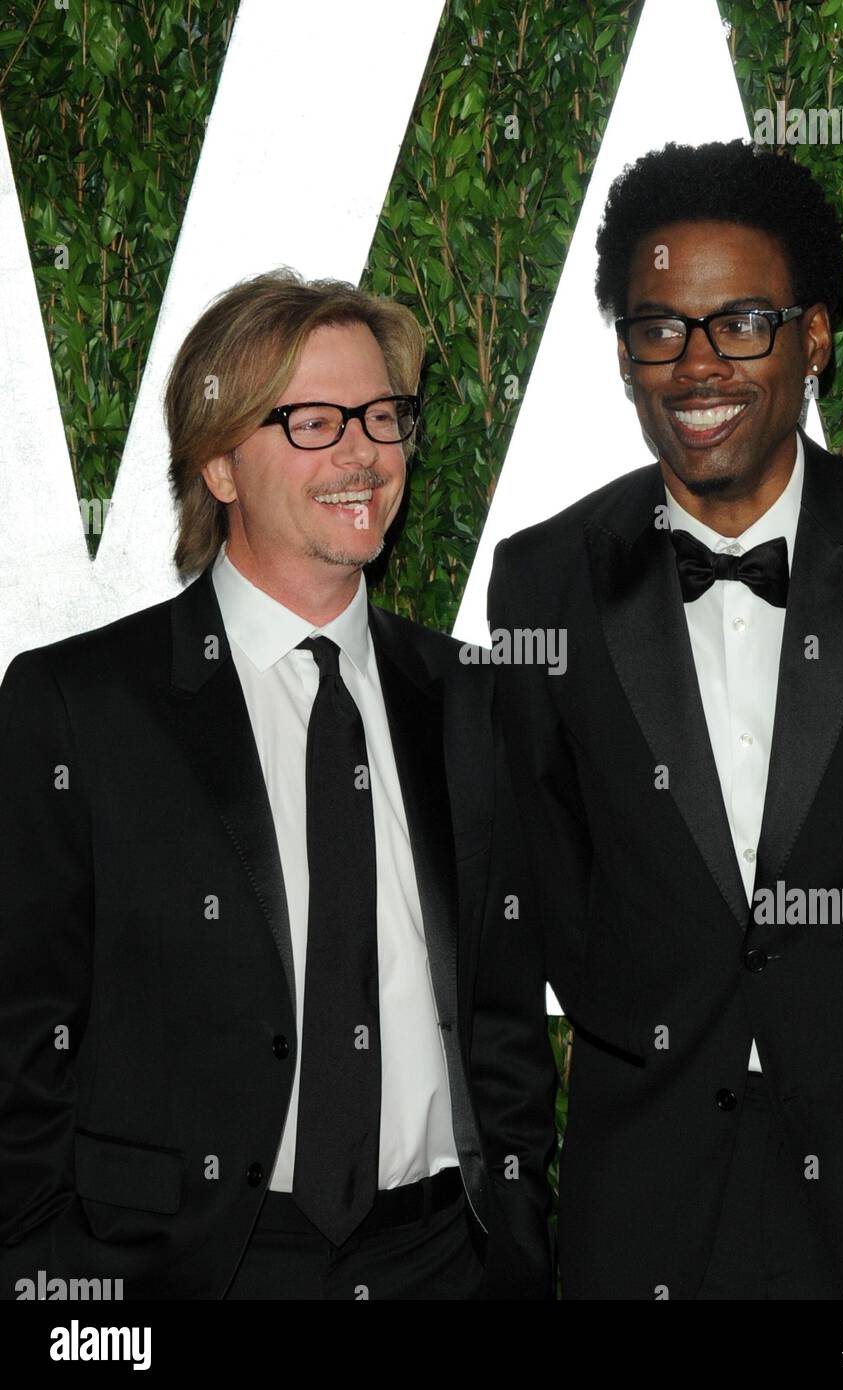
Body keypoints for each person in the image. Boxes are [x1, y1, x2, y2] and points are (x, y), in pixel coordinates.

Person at [487, 140, 843, 1300]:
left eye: (740, 323)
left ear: (812, 339)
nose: (696, 366)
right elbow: (534, 893)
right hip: (649, 1203)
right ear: (624, 354)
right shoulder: (543, 583)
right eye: (657, 328)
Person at [0, 270, 555, 1300]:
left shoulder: (471, 698)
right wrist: (46, 1281)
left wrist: (512, 1231)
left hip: (443, 1264)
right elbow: (21, 1038)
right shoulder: (79, 706)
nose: (363, 453)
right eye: (313, 421)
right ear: (216, 463)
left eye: (382, 415)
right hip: (192, 1272)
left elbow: (502, 1018)